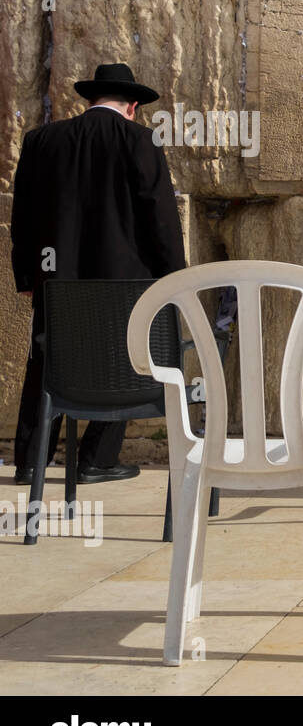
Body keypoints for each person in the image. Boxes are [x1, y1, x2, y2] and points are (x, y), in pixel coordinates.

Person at [10, 63, 186, 485]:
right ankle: (96, 460)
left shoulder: (41, 141)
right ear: (134, 107)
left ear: (90, 101)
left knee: (47, 362)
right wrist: (174, 277)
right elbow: (160, 218)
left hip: (58, 282)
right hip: (124, 285)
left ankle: (31, 462)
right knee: (128, 363)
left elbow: (24, 218)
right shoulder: (142, 141)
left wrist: (28, 278)